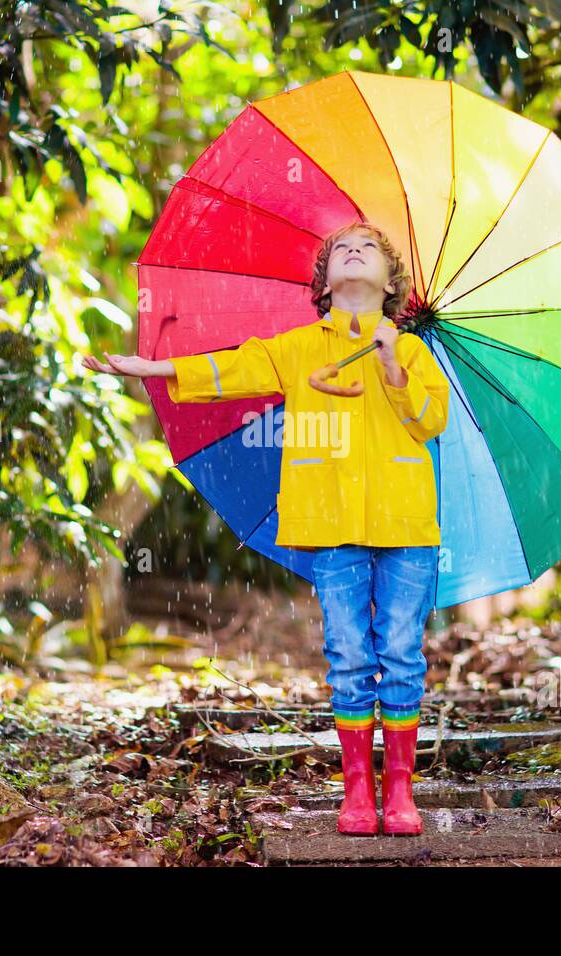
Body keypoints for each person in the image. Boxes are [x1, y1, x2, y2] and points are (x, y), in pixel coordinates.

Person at [82, 222, 450, 836]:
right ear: (325, 282)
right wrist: (152, 367)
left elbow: (428, 421)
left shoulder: (411, 351)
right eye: (341, 250)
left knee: (402, 654)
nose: (353, 252)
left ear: (391, 283)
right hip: (331, 523)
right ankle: (357, 789)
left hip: (405, 521)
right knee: (350, 654)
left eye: (368, 250)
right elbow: (231, 369)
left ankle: (400, 790)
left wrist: (392, 367)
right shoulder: (299, 347)